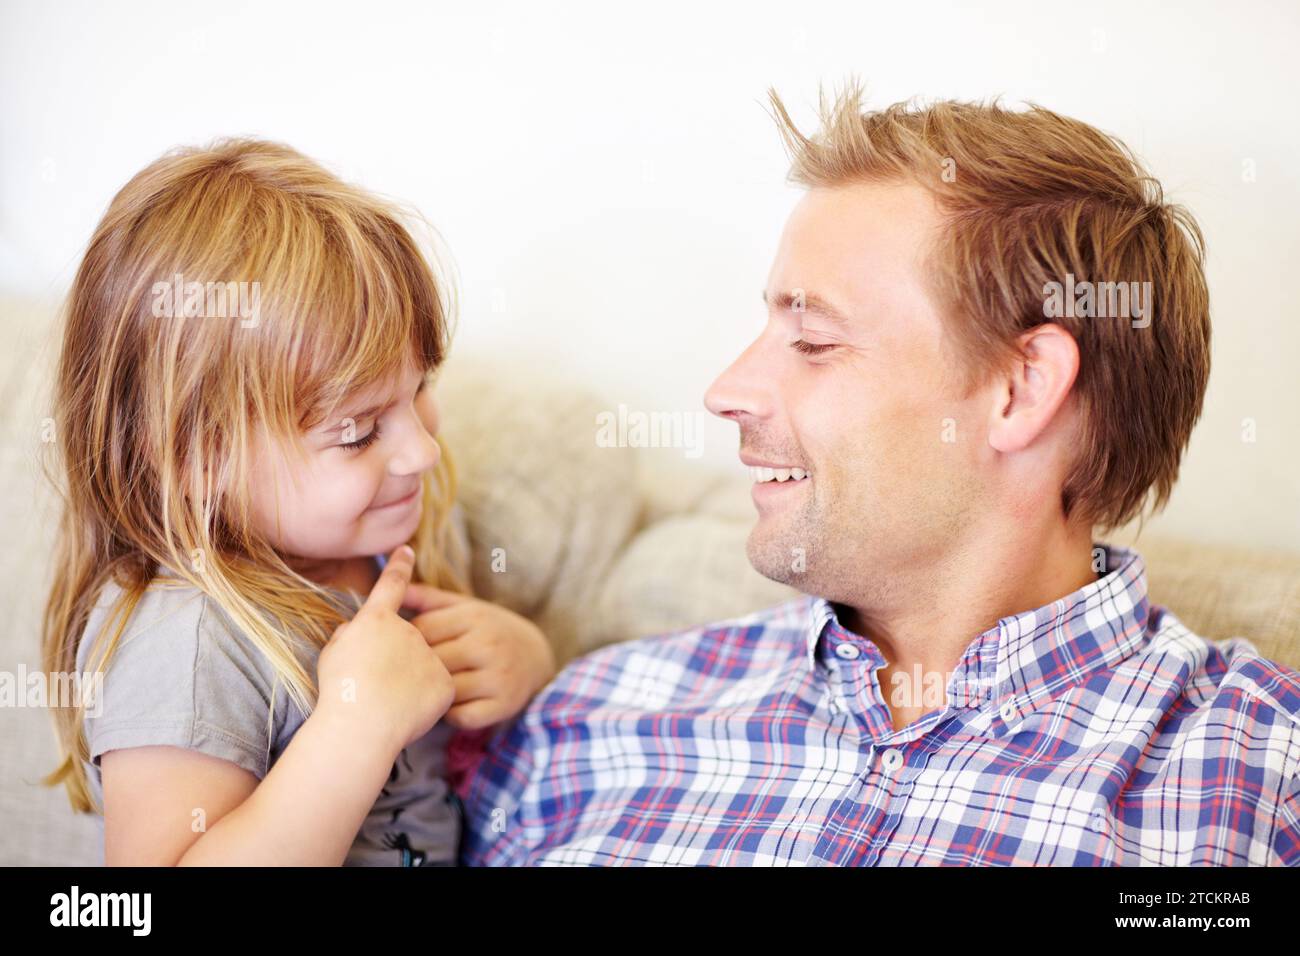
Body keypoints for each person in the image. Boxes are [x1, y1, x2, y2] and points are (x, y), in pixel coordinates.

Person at [460, 83, 1300, 866]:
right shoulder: (589, 719)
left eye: (816, 343)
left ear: (1021, 388)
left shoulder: (1264, 777)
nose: (726, 393)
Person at [41, 139, 555, 865]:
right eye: (358, 431)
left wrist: (526, 661)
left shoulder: (385, 539)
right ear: (196, 455)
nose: (422, 453)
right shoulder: (189, 642)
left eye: (421, 390)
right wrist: (354, 725)